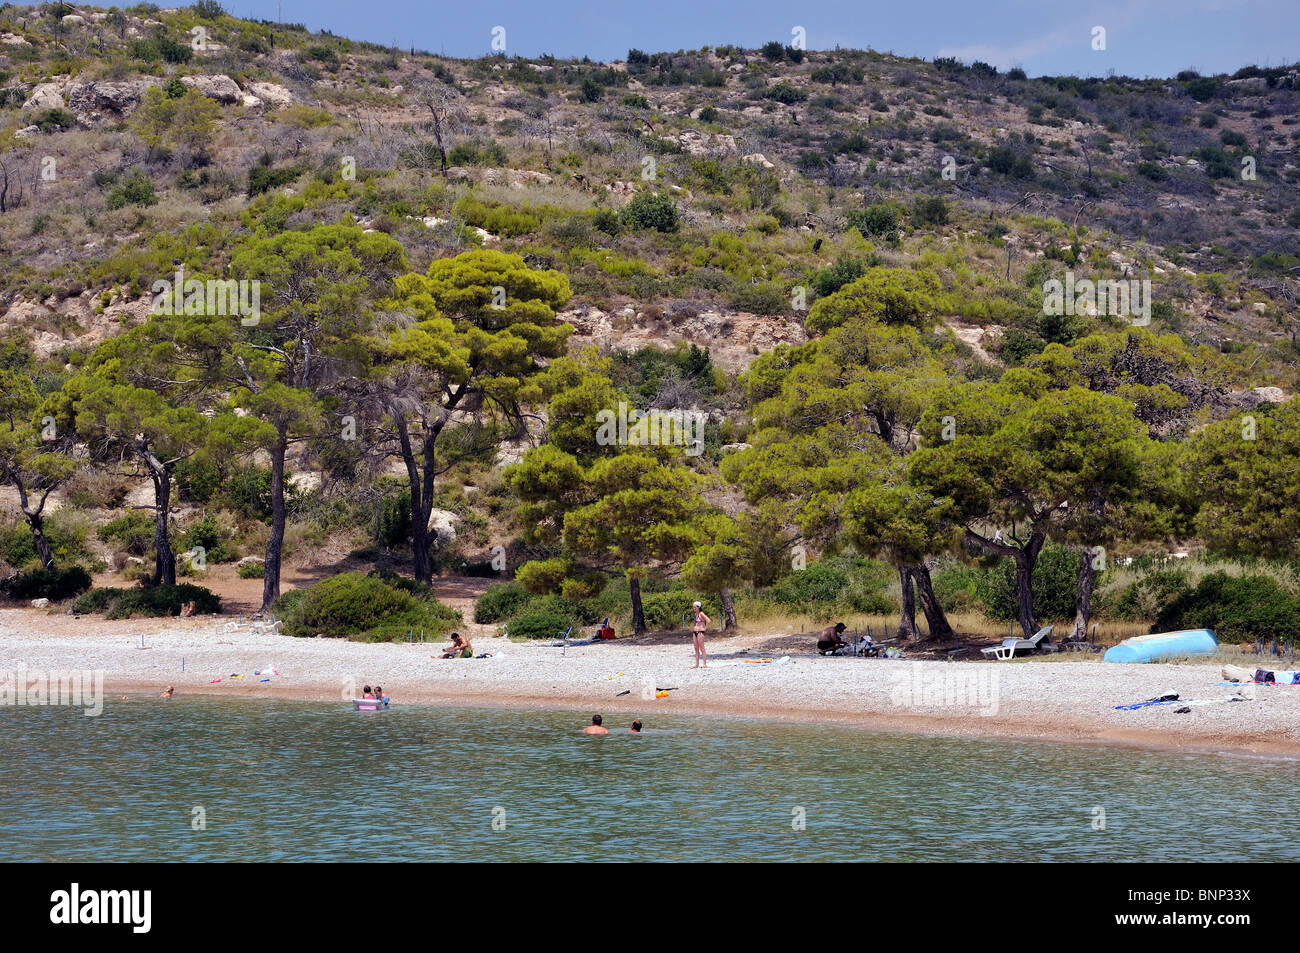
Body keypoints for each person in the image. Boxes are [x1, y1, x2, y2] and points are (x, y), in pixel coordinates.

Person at [691, 601, 711, 669]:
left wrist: (705, 628)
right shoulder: (695, 614)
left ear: (698, 607)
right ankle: (697, 664)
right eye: (693, 607)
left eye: (695, 607)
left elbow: (708, 620)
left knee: (702, 648)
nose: (694, 608)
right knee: (696, 648)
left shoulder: (701, 613)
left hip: (700, 632)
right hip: (695, 632)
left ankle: (704, 664)